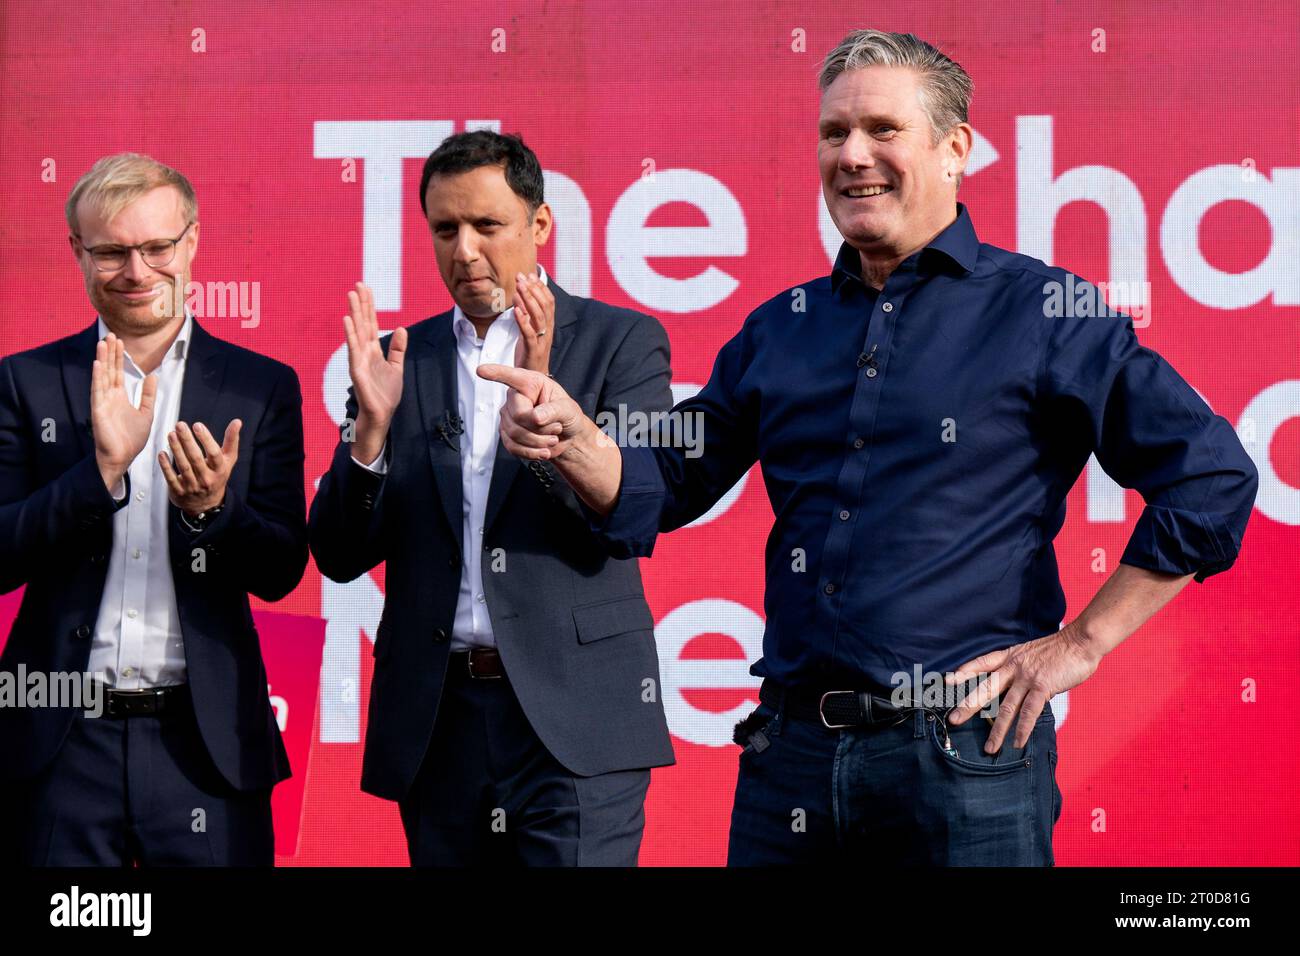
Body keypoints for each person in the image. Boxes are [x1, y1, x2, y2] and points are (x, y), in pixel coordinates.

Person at [478, 31, 1259, 865]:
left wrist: (1080, 644)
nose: (852, 156)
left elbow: (1209, 480)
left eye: (882, 130)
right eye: (833, 133)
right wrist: (575, 437)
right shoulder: (782, 328)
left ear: (954, 148)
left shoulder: (1043, 310)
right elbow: (667, 478)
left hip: (965, 764)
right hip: (791, 764)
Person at [309, 131, 675, 866]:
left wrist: (554, 443)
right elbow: (340, 554)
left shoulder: (620, 343)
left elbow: (635, 519)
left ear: (539, 226)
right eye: (445, 229)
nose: (465, 251)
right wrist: (370, 441)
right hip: (438, 723)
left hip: (575, 719)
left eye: (487, 226)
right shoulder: (396, 361)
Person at [0, 152, 308, 865]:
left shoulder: (259, 388)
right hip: (60, 746)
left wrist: (211, 512)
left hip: (205, 748)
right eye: (111, 251)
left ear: (191, 241)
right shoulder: (26, 383)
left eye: (156, 247)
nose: (137, 272)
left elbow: (282, 566)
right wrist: (100, 470)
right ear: (77, 251)